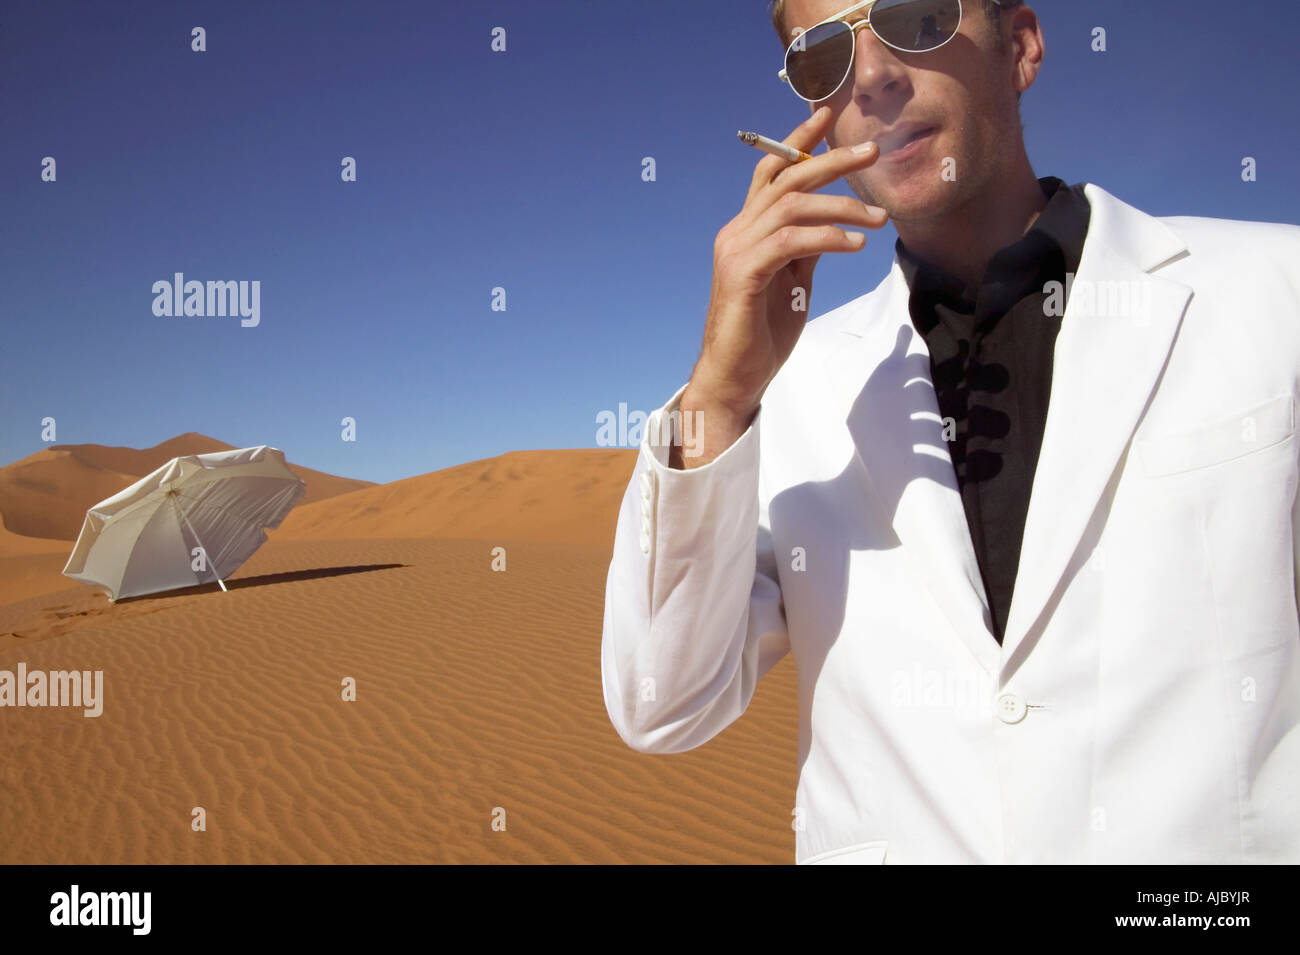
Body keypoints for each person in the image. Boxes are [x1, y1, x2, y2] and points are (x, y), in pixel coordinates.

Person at [601, 0, 1300, 863]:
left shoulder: (1277, 291)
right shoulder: (788, 388)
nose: (873, 77)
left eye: (919, 16)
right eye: (822, 57)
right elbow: (662, 702)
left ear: (1022, 44)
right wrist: (719, 393)